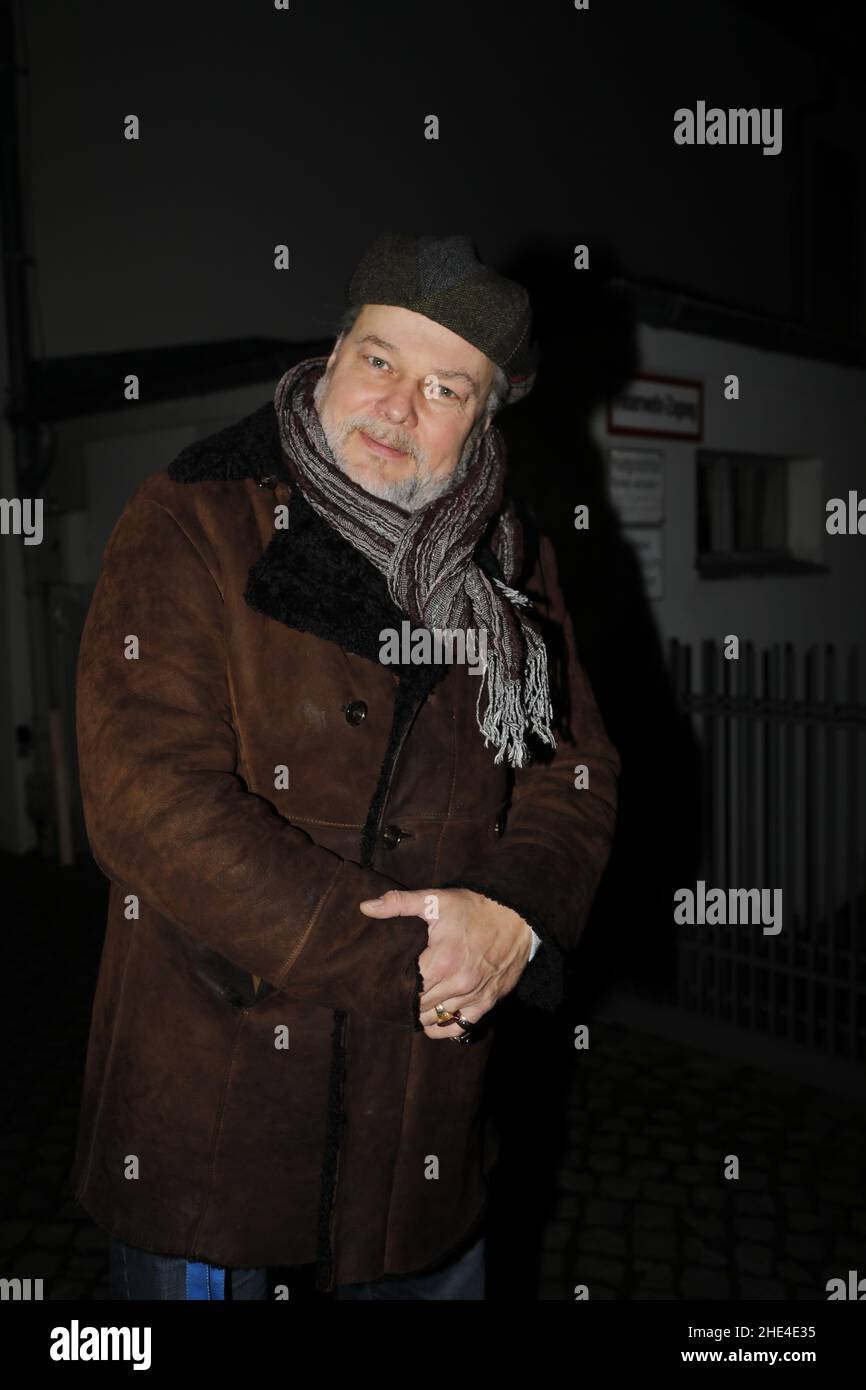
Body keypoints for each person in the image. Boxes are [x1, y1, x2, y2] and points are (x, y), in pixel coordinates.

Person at [71, 231, 621, 1300]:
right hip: (210, 1118)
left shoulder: (510, 558)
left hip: (421, 1123)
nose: (397, 407)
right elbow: (146, 802)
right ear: (333, 354)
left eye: (444, 386)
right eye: (379, 360)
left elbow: (574, 772)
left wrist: (512, 916)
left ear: (485, 414)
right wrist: (410, 960)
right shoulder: (192, 514)